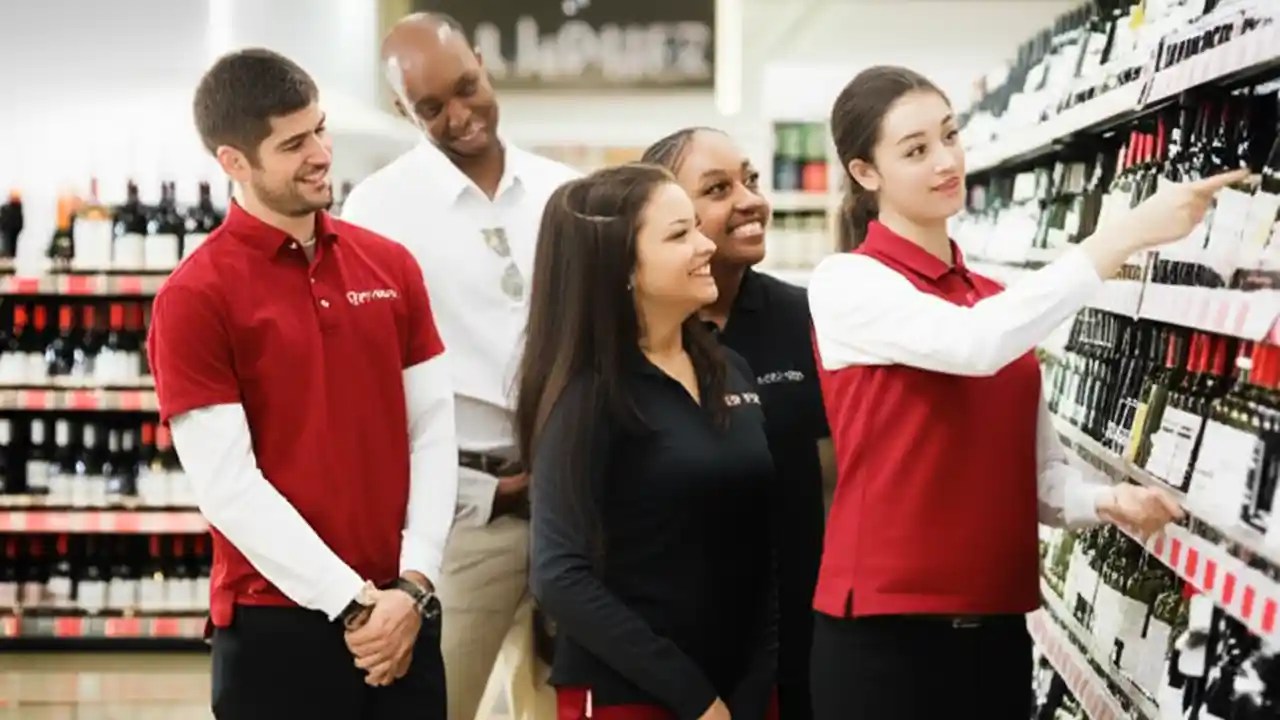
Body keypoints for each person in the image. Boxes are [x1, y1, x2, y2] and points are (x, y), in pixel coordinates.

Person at [806, 64, 1244, 719]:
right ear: (866, 173)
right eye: (916, 150)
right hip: (885, 642)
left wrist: (1107, 501)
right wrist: (1121, 235)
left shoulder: (992, 299)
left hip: (999, 635)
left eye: (950, 136)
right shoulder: (848, 283)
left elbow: (1038, 478)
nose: (946, 160)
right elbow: (974, 346)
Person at [147, 49, 457, 719]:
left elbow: (433, 431)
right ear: (234, 162)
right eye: (293, 145)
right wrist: (354, 603)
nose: (320, 154)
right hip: (276, 626)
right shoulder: (194, 298)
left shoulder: (392, 266)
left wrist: (413, 584)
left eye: (320, 129)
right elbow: (229, 487)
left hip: (404, 612)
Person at [340, 12, 580, 720]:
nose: (460, 115)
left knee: (570, 706)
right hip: (464, 520)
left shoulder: (564, 192)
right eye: (431, 107)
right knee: (434, 704)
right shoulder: (377, 210)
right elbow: (366, 383)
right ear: (401, 110)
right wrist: (470, 496)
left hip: (573, 507)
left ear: (481, 60)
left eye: (467, 87)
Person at [517, 163, 778, 720]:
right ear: (621, 268)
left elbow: (759, 541)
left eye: (696, 228)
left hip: (744, 691)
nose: (706, 245)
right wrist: (696, 699)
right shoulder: (588, 396)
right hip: (635, 696)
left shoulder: (729, 369)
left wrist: (756, 685)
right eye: (679, 234)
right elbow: (559, 577)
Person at [642, 128, 828, 720]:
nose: (750, 201)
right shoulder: (635, 340)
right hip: (678, 652)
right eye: (718, 190)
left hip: (802, 633)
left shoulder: (806, 317)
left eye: (750, 180)